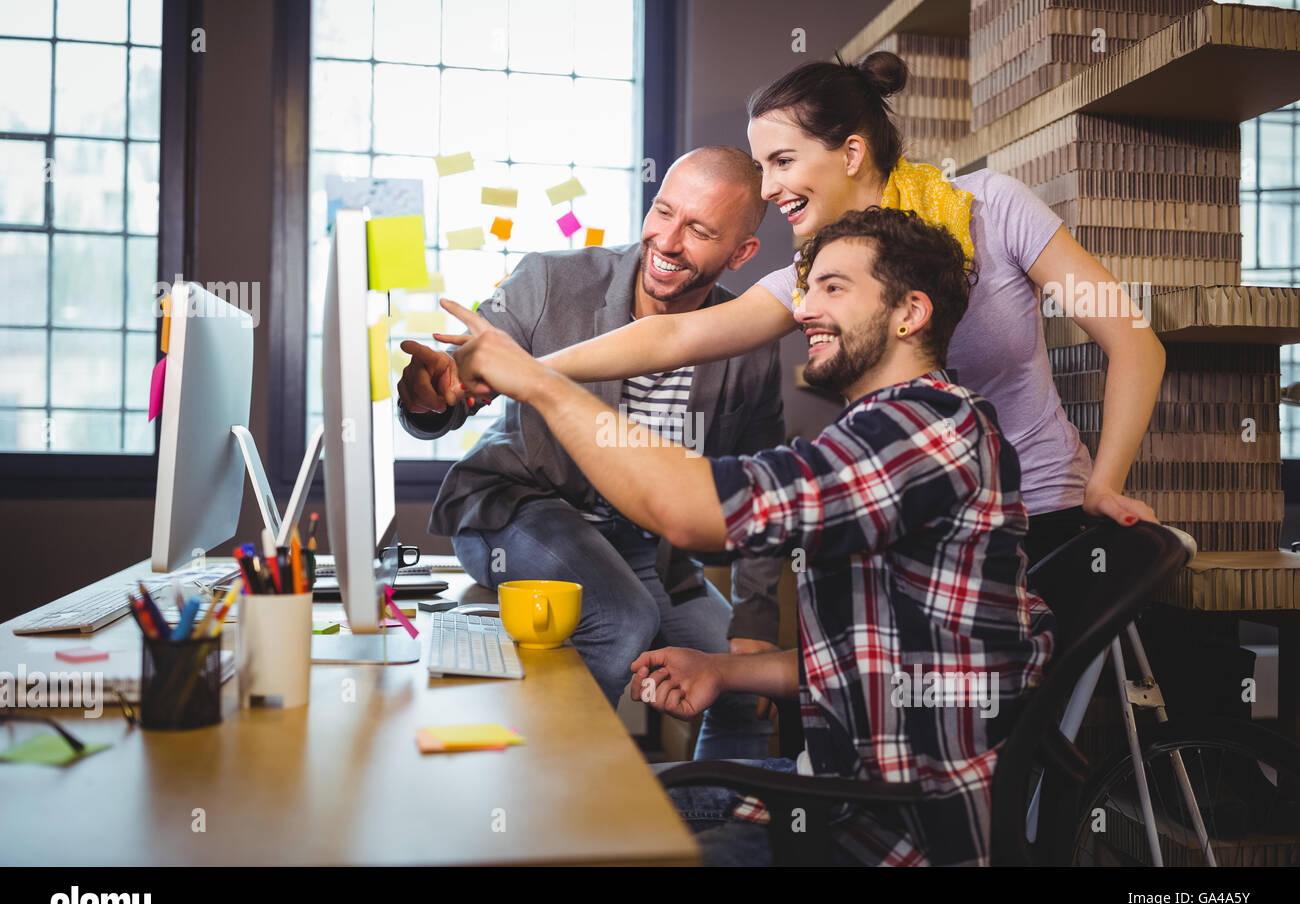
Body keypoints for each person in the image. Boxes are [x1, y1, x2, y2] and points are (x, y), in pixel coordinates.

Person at [440, 206, 1054, 866]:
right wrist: (724, 669)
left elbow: (691, 509)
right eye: (807, 287)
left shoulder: (921, 433)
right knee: (588, 824)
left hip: (888, 835)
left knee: (578, 838)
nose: (805, 309)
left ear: (909, 313)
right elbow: (881, 661)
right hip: (828, 796)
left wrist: (537, 378)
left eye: (834, 288)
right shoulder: (892, 430)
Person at [451, 51, 1166, 567]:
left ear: (851, 152)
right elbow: (675, 339)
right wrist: (522, 367)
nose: (764, 188)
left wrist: (1104, 484)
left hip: (1041, 506)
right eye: (761, 166)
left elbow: (1134, 341)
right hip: (914, 508)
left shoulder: (993, 207)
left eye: (782, 162)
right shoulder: (820, 271)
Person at [396, 147, 784, 759]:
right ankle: (557, 794)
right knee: (621, 618)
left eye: (700, 230)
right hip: (520, 509)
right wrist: (432, 394)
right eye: (662, 211)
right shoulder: (551, 281)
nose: (668, 240)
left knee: (736, 670)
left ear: (741, 253)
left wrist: (756, 628)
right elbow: (462, 378)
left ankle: (716, 826)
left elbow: (763, 495)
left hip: (642, 548)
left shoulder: (750, 342)